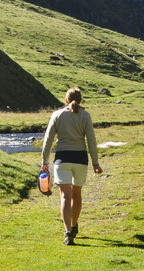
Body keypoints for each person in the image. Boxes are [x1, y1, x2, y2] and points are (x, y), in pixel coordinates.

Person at [41, 87, 103, 245]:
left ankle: (68, 231)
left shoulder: (57, 115)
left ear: (65, 100)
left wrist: (45, 162)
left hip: (62, 158)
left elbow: (48, 140)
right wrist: (95, 162)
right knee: (77, 195)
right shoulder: (85, 116)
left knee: (65, 196)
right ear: (81, 100)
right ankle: (74, 225)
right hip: (80, 158)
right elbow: (91, 141)